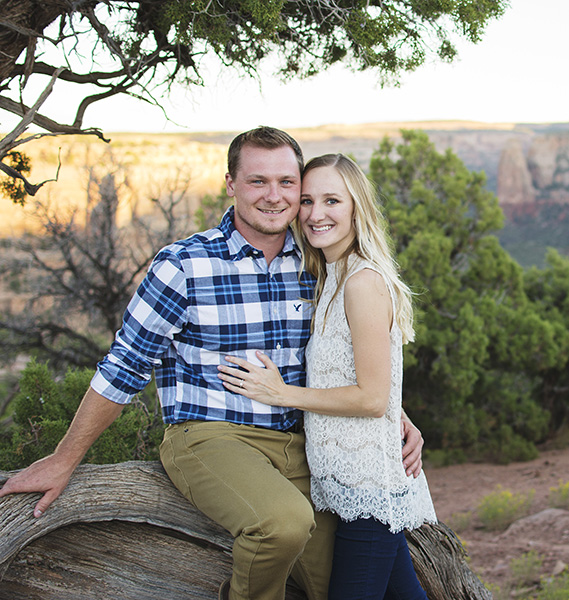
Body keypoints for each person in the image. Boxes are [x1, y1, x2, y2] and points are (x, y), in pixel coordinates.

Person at [0, 128, 425, 600]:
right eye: (257, 181)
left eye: (288, 184)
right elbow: (124, 366)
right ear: (230, 183)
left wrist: (394, 415)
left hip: (302, 444)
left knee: (341, 584)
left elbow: (345, 358)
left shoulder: (314, 263)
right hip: (210, 434)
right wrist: (64, 457)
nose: (274, 196)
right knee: (282, 524)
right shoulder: (183, 265)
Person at [218, 154, 437, 599]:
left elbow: (373, 398)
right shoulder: (330, 274)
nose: (317, 214)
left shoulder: (361, 282)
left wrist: (283, 394)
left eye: (332, 200)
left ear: (357, 206)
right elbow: (373, 378)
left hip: (368, 488)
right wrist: (401, 414)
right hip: (344, 483)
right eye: (307, 201)